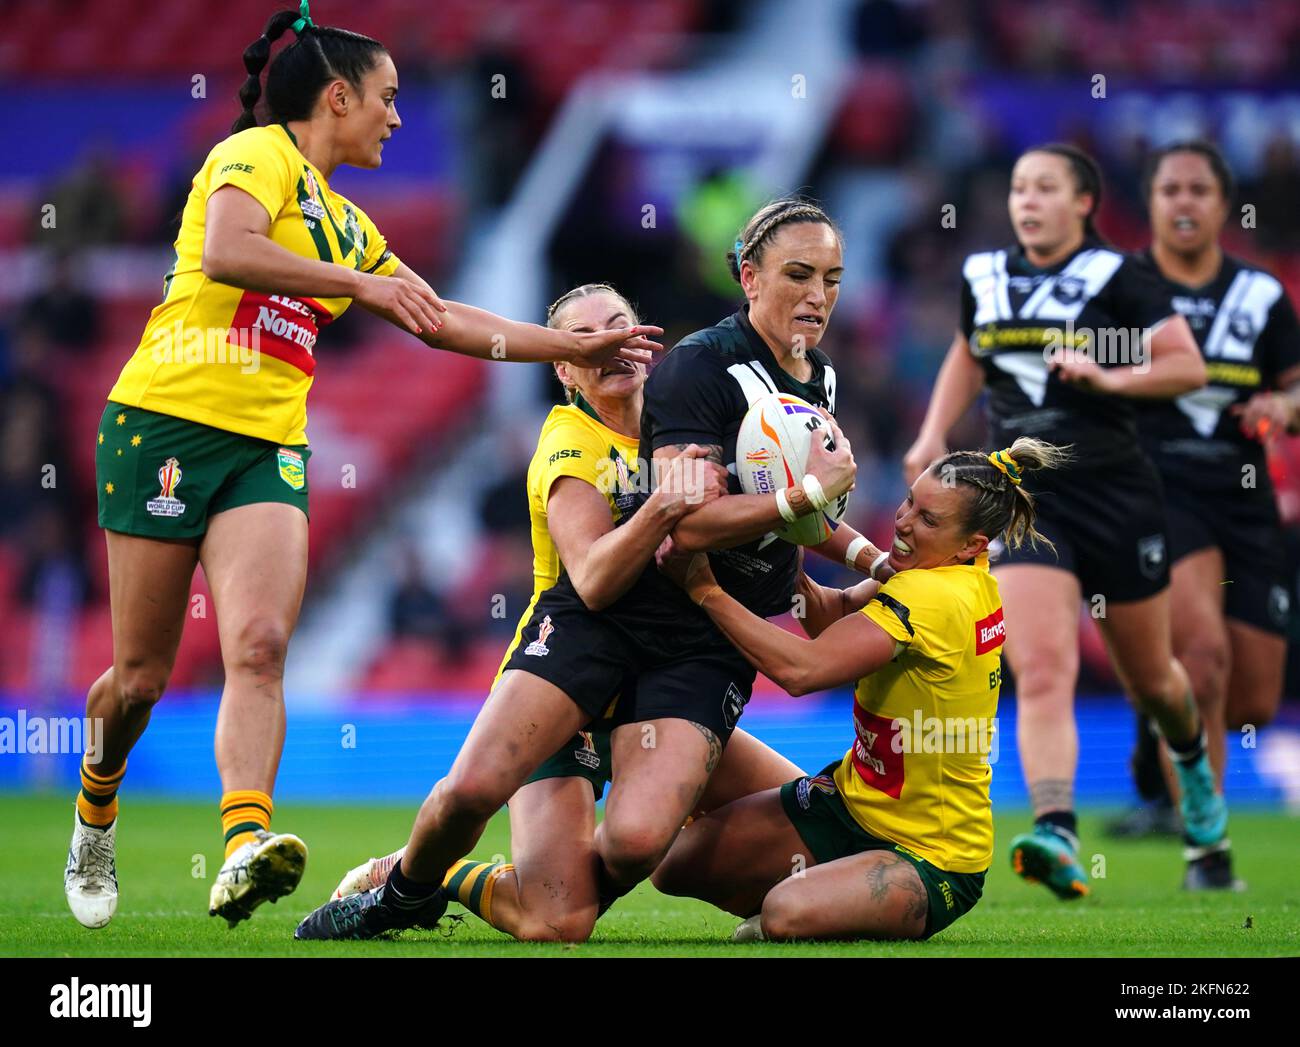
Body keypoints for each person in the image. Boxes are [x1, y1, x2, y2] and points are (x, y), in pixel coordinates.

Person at [63, 4, 663, 932]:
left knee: (259, 647)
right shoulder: (257, 155)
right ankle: (96, 805)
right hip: (165, 427)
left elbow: (449, 319)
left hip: (267, 448)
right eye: (385, 99)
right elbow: (227, 249)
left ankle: (242, 844)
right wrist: (356, 284)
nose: (394, 116)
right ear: (335, 97)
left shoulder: (344, 222)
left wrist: (578, 344)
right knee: (139, 680)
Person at [294, 197, 891, 940]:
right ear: (564, 370)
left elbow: (781, 510)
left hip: (679, 654)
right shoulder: (571, 444)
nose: (608, 344)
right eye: (582, 339)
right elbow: (599, 582)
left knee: (637, 851)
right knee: (486, 810)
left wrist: (853, 559)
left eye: (619, 327)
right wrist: (662, 511)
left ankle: (766, 880)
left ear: (647, 345)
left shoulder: (707, 409)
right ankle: (412, 881)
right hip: (586, 646)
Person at [901, 143, 1222, 899]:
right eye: (1018, 187)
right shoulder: (984, 275)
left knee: (1155, 680)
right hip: (1024, 496)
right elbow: (969, 353)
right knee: (1041, 667)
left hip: (1115, 490)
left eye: (1046, 188)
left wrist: (1110, 374)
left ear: (1084, 204)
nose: (1027, 200)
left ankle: (1196, 786)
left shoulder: (1121, 279)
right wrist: (931, 431)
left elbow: (1188, 366)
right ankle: (1057, 829)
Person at [653, 440, 1066, 940]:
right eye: (910, 500)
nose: (904, 521)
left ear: (971, 545)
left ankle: (825, 900)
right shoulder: (955, 575)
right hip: (849, 807)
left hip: (931, 858)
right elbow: (832, 617)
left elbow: (800, 672)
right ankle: (833, 891)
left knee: (786, 913)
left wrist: (705, 591)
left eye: (928, 520)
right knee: (673, 868)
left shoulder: (932, 597)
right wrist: (788, 545)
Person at [1121, 140, 1300, 888]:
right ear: (1152, 201)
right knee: (1202, 658)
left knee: (1253, 696)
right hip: (1160, 489)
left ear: (1225, 206)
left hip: (1248, 495)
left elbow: (1296, 389)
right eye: (1170, 189)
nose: (1184, 202)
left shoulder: (1262, 296)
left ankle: (1155, 732)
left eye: (1199, 188)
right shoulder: (1120, 288)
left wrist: (1279, 405)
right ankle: (1209, 846)